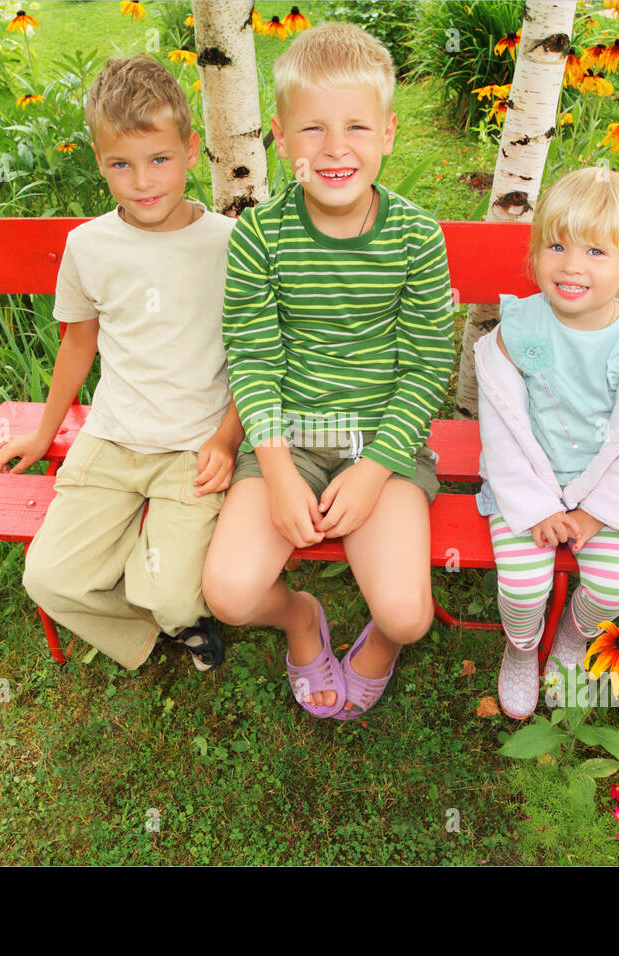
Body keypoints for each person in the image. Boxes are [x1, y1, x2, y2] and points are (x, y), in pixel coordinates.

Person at [201, 22, 456, 720]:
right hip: (287, 438)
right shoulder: (260, 236)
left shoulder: (414, 235)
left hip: (386, 443)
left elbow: (429, 361)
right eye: (311, 129)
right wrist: (277, 471)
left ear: (389, 134)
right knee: (227, 591)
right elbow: (253, 356)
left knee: (408, 613)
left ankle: (379, 646)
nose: (335, 149)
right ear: (280, 141)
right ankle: (301, 617)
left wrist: (376, 468)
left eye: (356, 127)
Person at [0, 56, 241, 672]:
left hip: (194, 444)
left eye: (158, 159)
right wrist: (45, 431)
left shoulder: (229, 243)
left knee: (172, 593)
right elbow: (77, 343)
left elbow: (257, 354)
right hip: (112, 436)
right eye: (120, 165)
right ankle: (148, 629)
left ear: (191, 150)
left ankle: (167, 601)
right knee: (49, 580)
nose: (142, 181)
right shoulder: (89, 245)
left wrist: (227, 436)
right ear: (99, 162)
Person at [474, 165, 619, 719]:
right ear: (535, 253)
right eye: (557, 245)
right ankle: (522, 648)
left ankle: (569, 640)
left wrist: (596, 512)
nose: (571, 265)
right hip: (526, 483)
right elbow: (501, 427)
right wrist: (536, 505)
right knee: (523, 587)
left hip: (603, 494)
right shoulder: (519, 330)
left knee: (615, 586)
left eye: (596, 252)